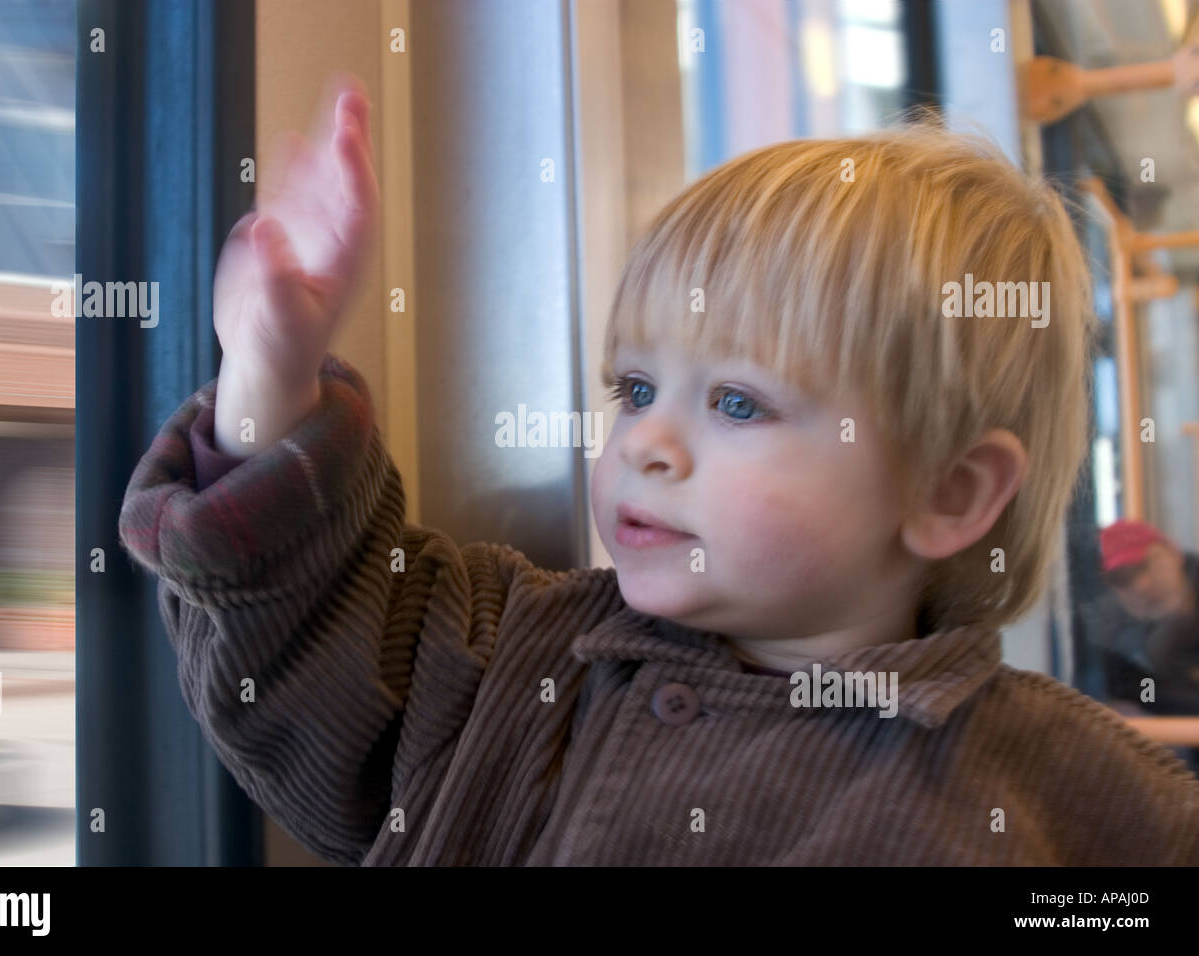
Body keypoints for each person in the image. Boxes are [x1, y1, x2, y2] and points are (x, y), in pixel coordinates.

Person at [117, 73, 1199, 864]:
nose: (644, 441)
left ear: (947, 492)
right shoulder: (510, 652)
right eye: (633, 389)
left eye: (735, 401)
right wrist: (271, 369)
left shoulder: (1055, 791)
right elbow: (304, 625)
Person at [1082, 519, 1199, 732]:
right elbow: (1156, 700)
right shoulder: (1121, 655)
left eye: (1146, 565)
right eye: (1123, 578)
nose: (1141, 585)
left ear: (1172, 551)